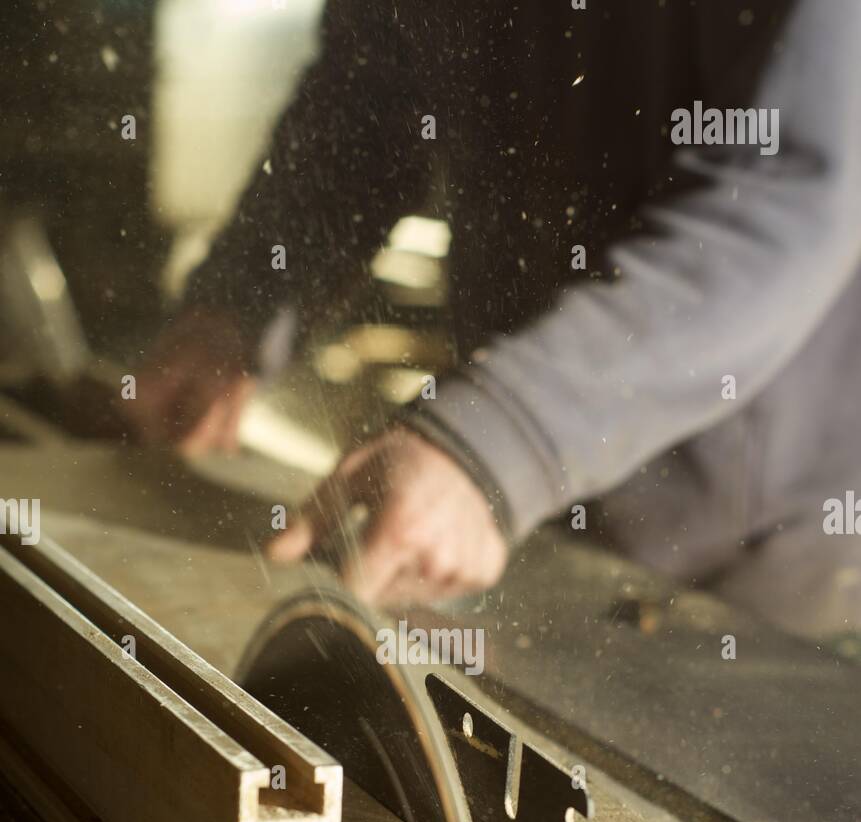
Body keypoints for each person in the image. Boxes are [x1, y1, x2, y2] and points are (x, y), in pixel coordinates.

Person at [130, 0, 861, 636]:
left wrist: (502, 436)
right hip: (526, 496)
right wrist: (237, 306)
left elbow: (785, 193)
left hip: (761, 544)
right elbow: (367, 98)